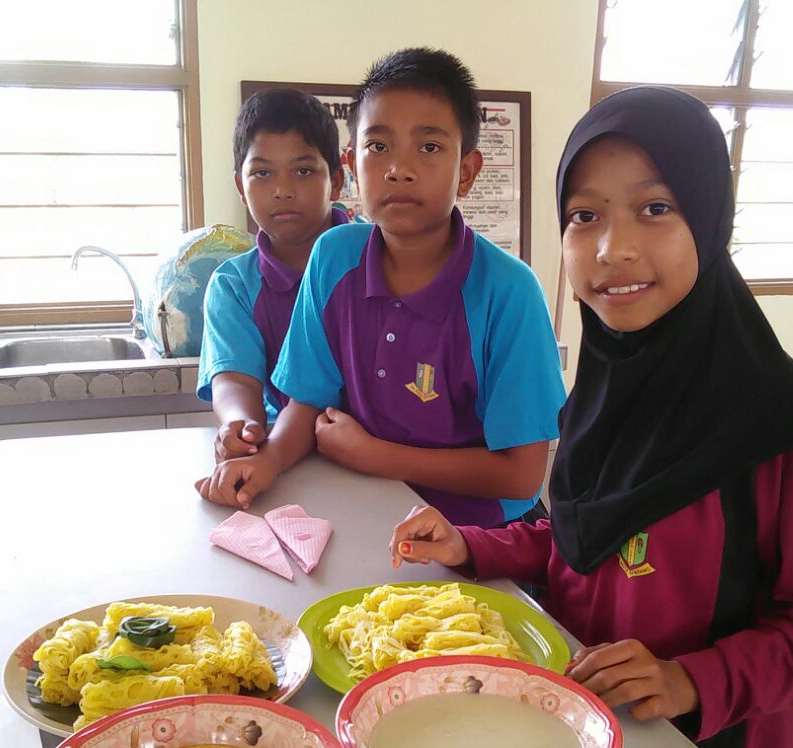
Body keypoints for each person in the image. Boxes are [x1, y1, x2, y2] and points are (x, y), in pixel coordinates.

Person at [388, 86, 793, 748]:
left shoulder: (780, 417)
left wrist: (693, 678)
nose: (611, 248)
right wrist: (473, 545)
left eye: (655, 209)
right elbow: (578, 541)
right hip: (572, 734)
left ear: (710, 220)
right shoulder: (602, 388)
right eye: (584, 216)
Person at [196, 48, 565, 528]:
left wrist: (377, 456)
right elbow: (307, 401)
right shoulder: (334, 258)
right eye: (379, 147)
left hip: (481, 537)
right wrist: (266, 462)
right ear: (351, 165)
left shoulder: (509, 291)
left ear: (468, 172)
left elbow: (521, 476)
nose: (398, 169)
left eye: (429, 147)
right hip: (369, 516)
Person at [197, 89, 349, 462]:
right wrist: (240, 424)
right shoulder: (233, 286)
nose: (282, 190)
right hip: (283, 458)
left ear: (337, 179)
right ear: (241, 188)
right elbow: (234, 376)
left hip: (383, 459)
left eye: (303, 170)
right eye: (262, 173)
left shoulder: (376, 260)